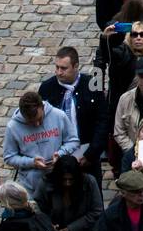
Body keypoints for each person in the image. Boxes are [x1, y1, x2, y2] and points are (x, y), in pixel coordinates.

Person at [38, 46, 110, 185]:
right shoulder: (47, 88)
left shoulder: (91, 85)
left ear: (76, 66)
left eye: (64, 68)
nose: (59, 72)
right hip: (58, 154)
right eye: (57, 67)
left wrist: (91, 154)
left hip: (86, 151)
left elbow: (102, 121)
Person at [3, 90, 79, 194]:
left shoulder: (59, 116)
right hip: (31, 186)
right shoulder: (13, 127)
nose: (37, 124)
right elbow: (9, 157)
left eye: (40, 119)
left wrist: (60, 154)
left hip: (59, 181)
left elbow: (73, 140)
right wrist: (31, 162)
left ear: (42, 107)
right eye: (31, 122)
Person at [34, 154, 103, 231]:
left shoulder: (89, 183)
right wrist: (49, 225)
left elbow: (96, 211)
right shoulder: (46, 184)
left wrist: (72, 228)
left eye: (71, 180)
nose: (67, 183)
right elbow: (37, 208)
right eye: (64, 180)